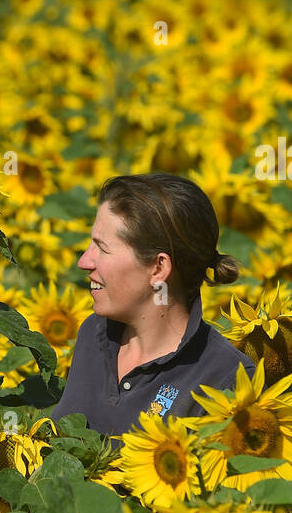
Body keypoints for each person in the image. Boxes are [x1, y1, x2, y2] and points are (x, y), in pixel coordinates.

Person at [51, 172, 255, 438]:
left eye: (102, 248)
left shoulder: (225, 378)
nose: (84, 261)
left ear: (158, 268)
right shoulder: (93, 334)